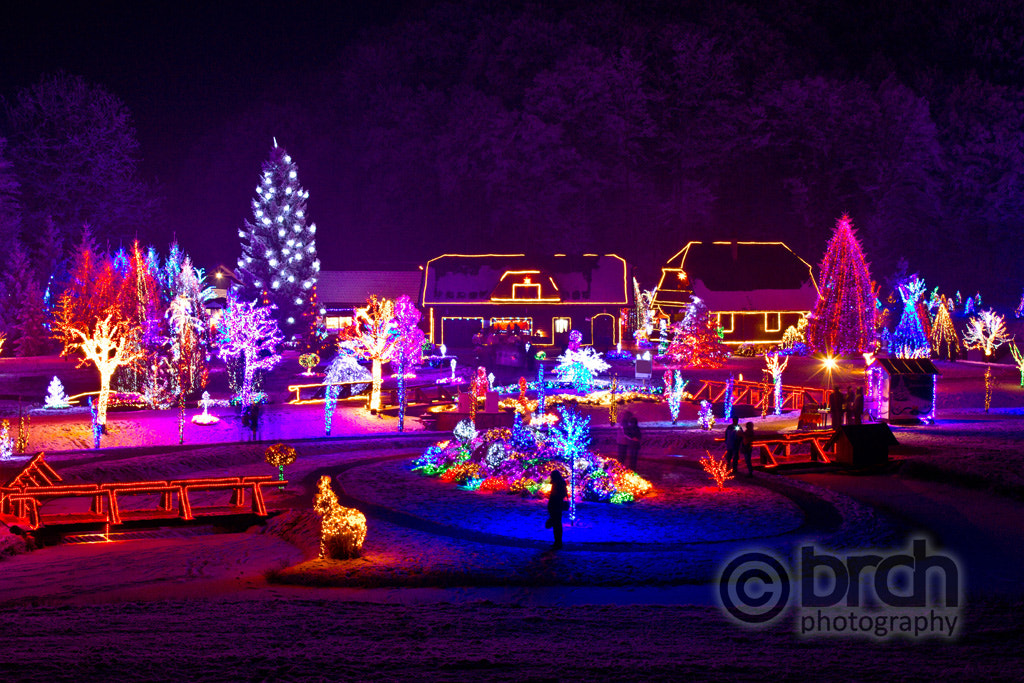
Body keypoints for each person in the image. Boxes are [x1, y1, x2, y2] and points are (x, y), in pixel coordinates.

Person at [546, 470, 568, 550]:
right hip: (557, 506)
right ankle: (558, 542)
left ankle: (558, 542)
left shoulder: (557, 484)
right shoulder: (560, 483)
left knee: (557, 525)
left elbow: (555, 496)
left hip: (556, 506)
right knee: (557, 524)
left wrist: (551, 504)